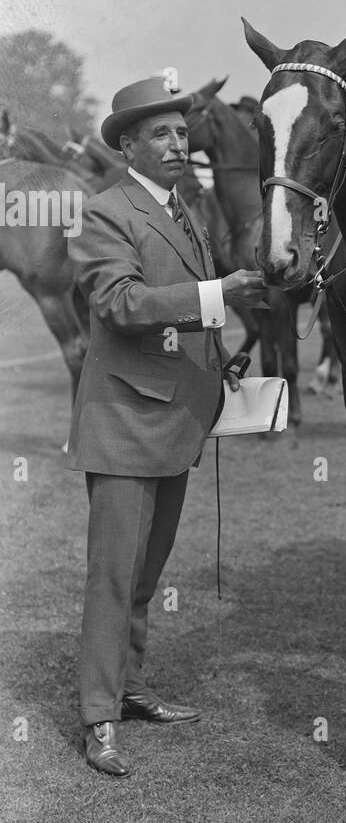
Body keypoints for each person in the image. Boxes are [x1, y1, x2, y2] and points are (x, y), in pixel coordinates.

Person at [67, 77, 266, 776]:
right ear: (128, 146)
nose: (178, 143)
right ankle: (98, 718)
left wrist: (220, 367)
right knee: (114, 577)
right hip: (124, 420)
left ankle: (128, 687)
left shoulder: (183, 211)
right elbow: (120, 303)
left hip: (174, 418)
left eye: (182, 132)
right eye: (161, 133)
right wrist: (218, 294)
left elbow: (186, 314)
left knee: (146, 573)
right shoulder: (104, 212)